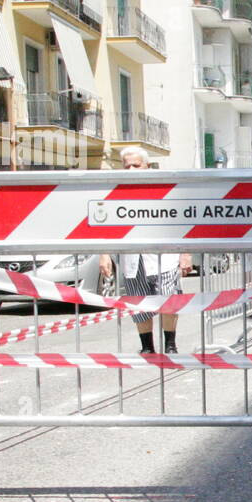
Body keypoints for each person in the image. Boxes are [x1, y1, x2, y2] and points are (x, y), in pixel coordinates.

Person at [99, 147, 193, 354]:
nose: (131, 169)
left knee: (169, 300)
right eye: (127, 166)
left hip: (164, 258)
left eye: (136, 165)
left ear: (147, 166)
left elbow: (180, 223)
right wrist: (104, 254)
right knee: (139, 303)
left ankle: (170, 345)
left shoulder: (164, 189)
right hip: (132, 259)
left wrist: (185, 253)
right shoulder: (117, 192)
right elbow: (107, 226)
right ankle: (147, 347)